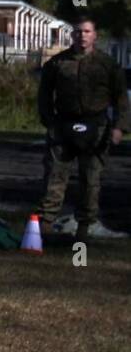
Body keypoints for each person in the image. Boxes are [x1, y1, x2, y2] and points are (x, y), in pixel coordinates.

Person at [35, 15, 130, 240]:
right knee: (54, 178)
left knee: (90, 179)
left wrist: (119, 128)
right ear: (71, 35)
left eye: (87, 32)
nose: (82, 36)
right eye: (78, 32)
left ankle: (86, 226)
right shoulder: (57, 64)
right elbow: (44, 96)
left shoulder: (107, 65)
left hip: (95, 128)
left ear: (95, 35)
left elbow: (121, 99)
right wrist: (49, 122)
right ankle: (45, 224)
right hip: (63, 127)